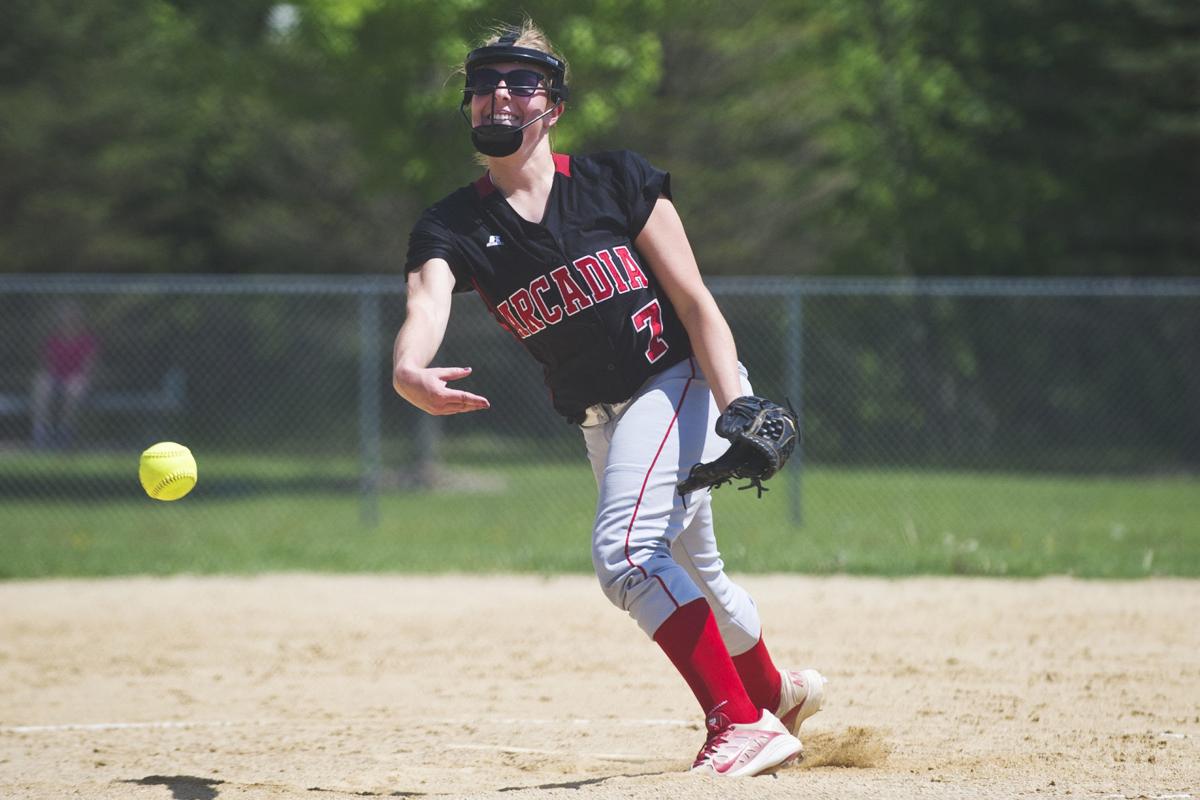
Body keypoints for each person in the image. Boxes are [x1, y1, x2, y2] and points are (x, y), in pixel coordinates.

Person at [392, 21, 826, 777]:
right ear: (467, 104)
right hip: (603, 422)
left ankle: (738, 724)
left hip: (677, 383)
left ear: (552, 105)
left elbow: (695, 302)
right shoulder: (453, 224)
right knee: (699, 572)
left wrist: (738, 405)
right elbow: (425, 306)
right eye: (487, 79)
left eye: (521, 79)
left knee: (626, 552)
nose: (500, 92)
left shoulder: (614, 181)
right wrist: (407, 369)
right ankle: (772, 696)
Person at [30, 300, 100, 449]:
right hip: (57, 379)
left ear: (80, 318)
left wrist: (78, 378)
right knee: (41, 383)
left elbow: (89, 367)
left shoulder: (87, 339)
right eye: (66, 315)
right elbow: (46, 365)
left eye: (73, 315)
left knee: (73, 388)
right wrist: (53, 379)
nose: (69, 318)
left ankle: (64, 431)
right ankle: (41, 431)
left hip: (77, 380)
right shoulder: (53, 338)